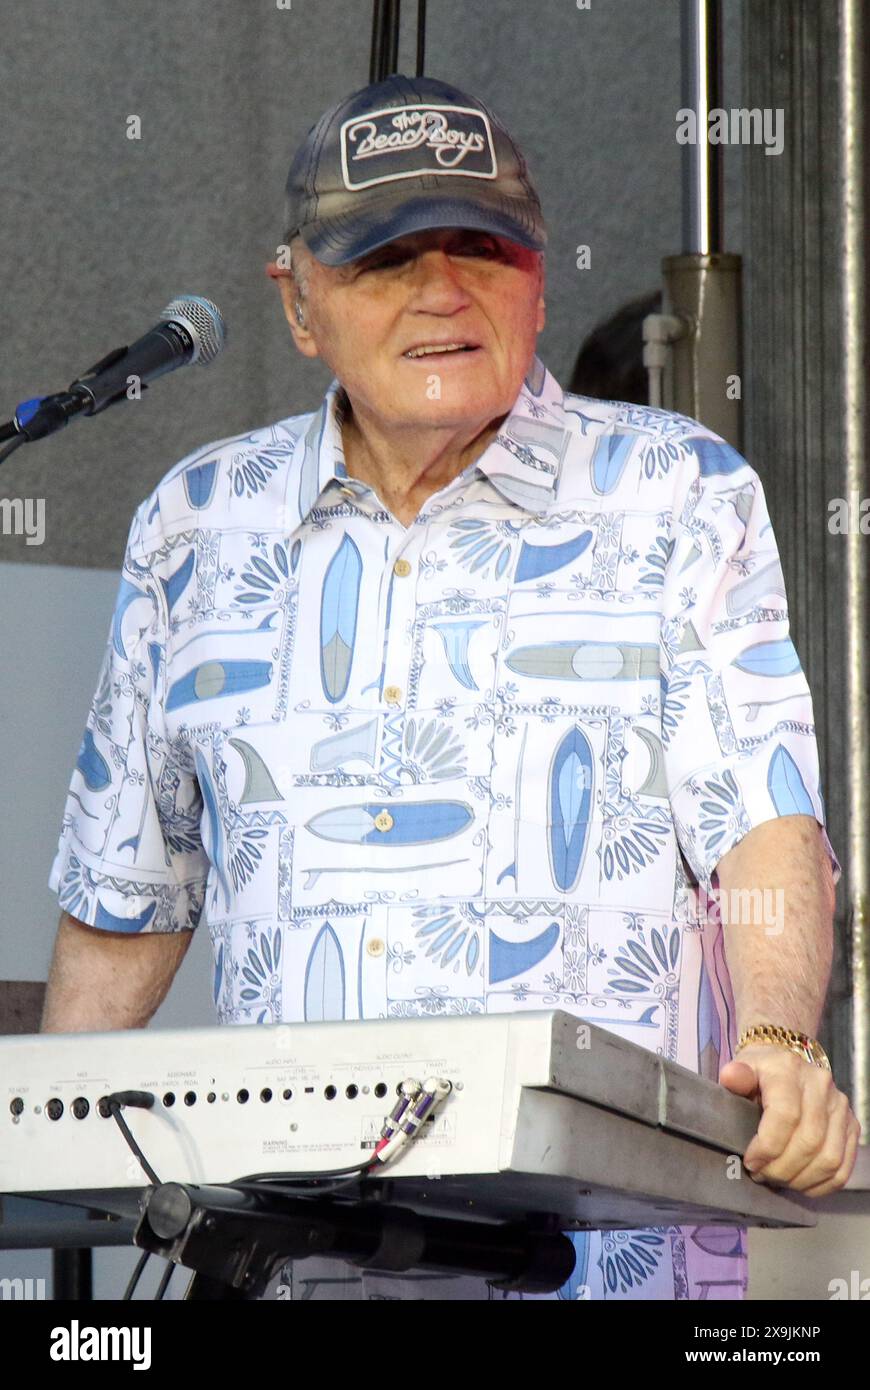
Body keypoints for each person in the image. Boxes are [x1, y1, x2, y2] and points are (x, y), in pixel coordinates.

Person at [43, 73, 858, 1302]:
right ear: (299, 299)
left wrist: (784, 1039)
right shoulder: (196, 523)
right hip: (289, 1257)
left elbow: (763, 813)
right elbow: (129, 888)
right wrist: (41, 1153)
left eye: (482, 245)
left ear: (536, 272)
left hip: (599, 1266)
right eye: (384, 257)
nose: (442, 290)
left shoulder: (678, 492)